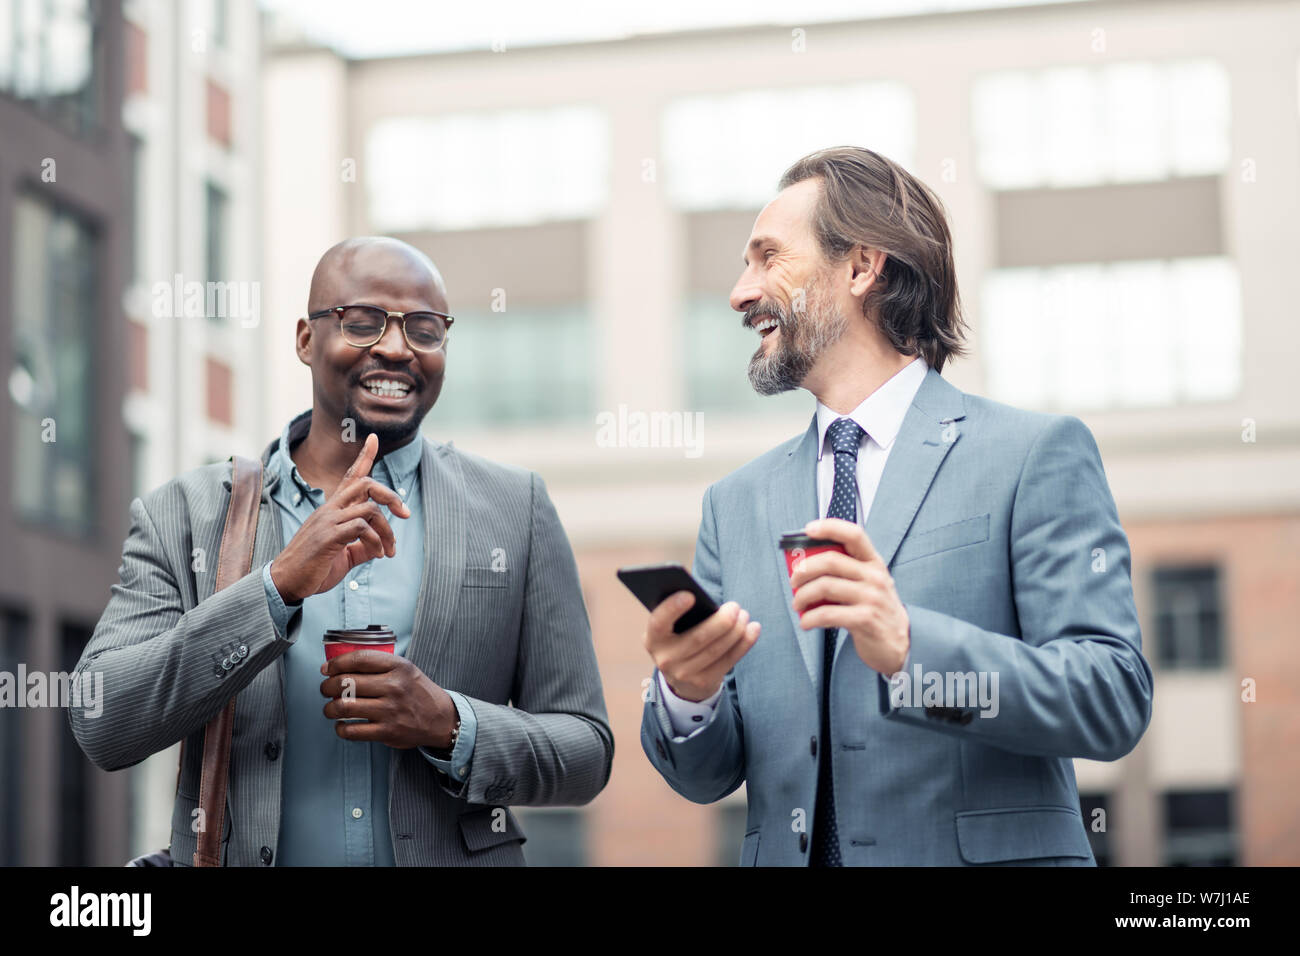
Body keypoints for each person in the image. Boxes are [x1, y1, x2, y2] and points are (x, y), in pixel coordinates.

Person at [639, 146, 1153, 866]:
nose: (739, 292)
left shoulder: (1033, 455)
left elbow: (1111, 698)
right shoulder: (733, 504)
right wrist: (688, 694)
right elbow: (707, 775)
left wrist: (914, 650)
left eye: (766, 258)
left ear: (860, 267)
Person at [71, 236, 612, 866]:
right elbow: (101, 720)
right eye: (362, 323)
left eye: (425, 329)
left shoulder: (515, 509)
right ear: (305, 339)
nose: (395, 346)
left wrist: (452, 724)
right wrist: (274, 590)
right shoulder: (184, 516)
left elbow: (586, 752)